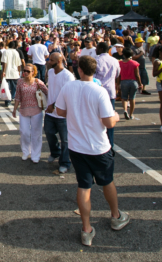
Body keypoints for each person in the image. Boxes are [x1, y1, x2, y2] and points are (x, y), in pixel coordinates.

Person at [55, 55, 128, 247]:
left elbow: (60, 112)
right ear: (94, 71)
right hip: (98, 147)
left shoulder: (68, 87)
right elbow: (108, 122)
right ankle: (116, 215)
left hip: (77, 147)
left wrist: (75, 110)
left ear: (79, 69)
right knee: (107, 182)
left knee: (84, 186)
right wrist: (117, 117)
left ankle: (86, 229)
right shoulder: (99, 91)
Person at [44, 52, 75, 173]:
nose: (48, 62)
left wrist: (53, 105)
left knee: (65, 140)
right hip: (50, 112)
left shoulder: (68, 76)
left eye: (51, 60)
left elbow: (67, 94)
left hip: (62, 114)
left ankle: (65, 162)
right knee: (48, 133)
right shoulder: (51, 72)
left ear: (58, 61)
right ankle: (55, 152)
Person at [13, 63, 48, 163]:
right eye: (24, 71)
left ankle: (35, 155)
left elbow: (47, 92)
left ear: (33, 72)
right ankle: (25, 151)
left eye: (28, 71)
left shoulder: (38, 82)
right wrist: (15, 109)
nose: (25, 73)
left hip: (36, 111)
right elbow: (17, 96)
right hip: (23, 110)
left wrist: (49, 106)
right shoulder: (20, 82)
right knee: (24, 132)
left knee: (36, 134)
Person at [95, 42, 120, 147]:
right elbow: (118, 74)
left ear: (100, 49)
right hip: (110, 92)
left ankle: (100, 143)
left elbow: (93, 77)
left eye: (97, 48)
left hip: (98, 92)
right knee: (109, 118)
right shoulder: (114, 60)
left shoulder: (97, 60)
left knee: (97, 119)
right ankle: (110, 145)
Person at [118, 48, 141, 120]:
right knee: (132, 98)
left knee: (124, 98)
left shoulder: (120, 63)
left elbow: (119, 75)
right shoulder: (135, 63)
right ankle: (131, 114)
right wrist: (140, 84)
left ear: (123, 54)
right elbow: (137, 75)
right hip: (133, 82)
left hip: (123, 81)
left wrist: (118, 83)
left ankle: (125, 110)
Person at [1, 41, 23, 107]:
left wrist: (3, 71)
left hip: (7, 72)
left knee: (7, 87)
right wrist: (19, 71)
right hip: (15, 72)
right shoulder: (16, 52)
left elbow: (4, 62)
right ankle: (12, 97)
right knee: (14, 87)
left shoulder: (5, 51)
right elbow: (19, 63)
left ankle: (7, 100)